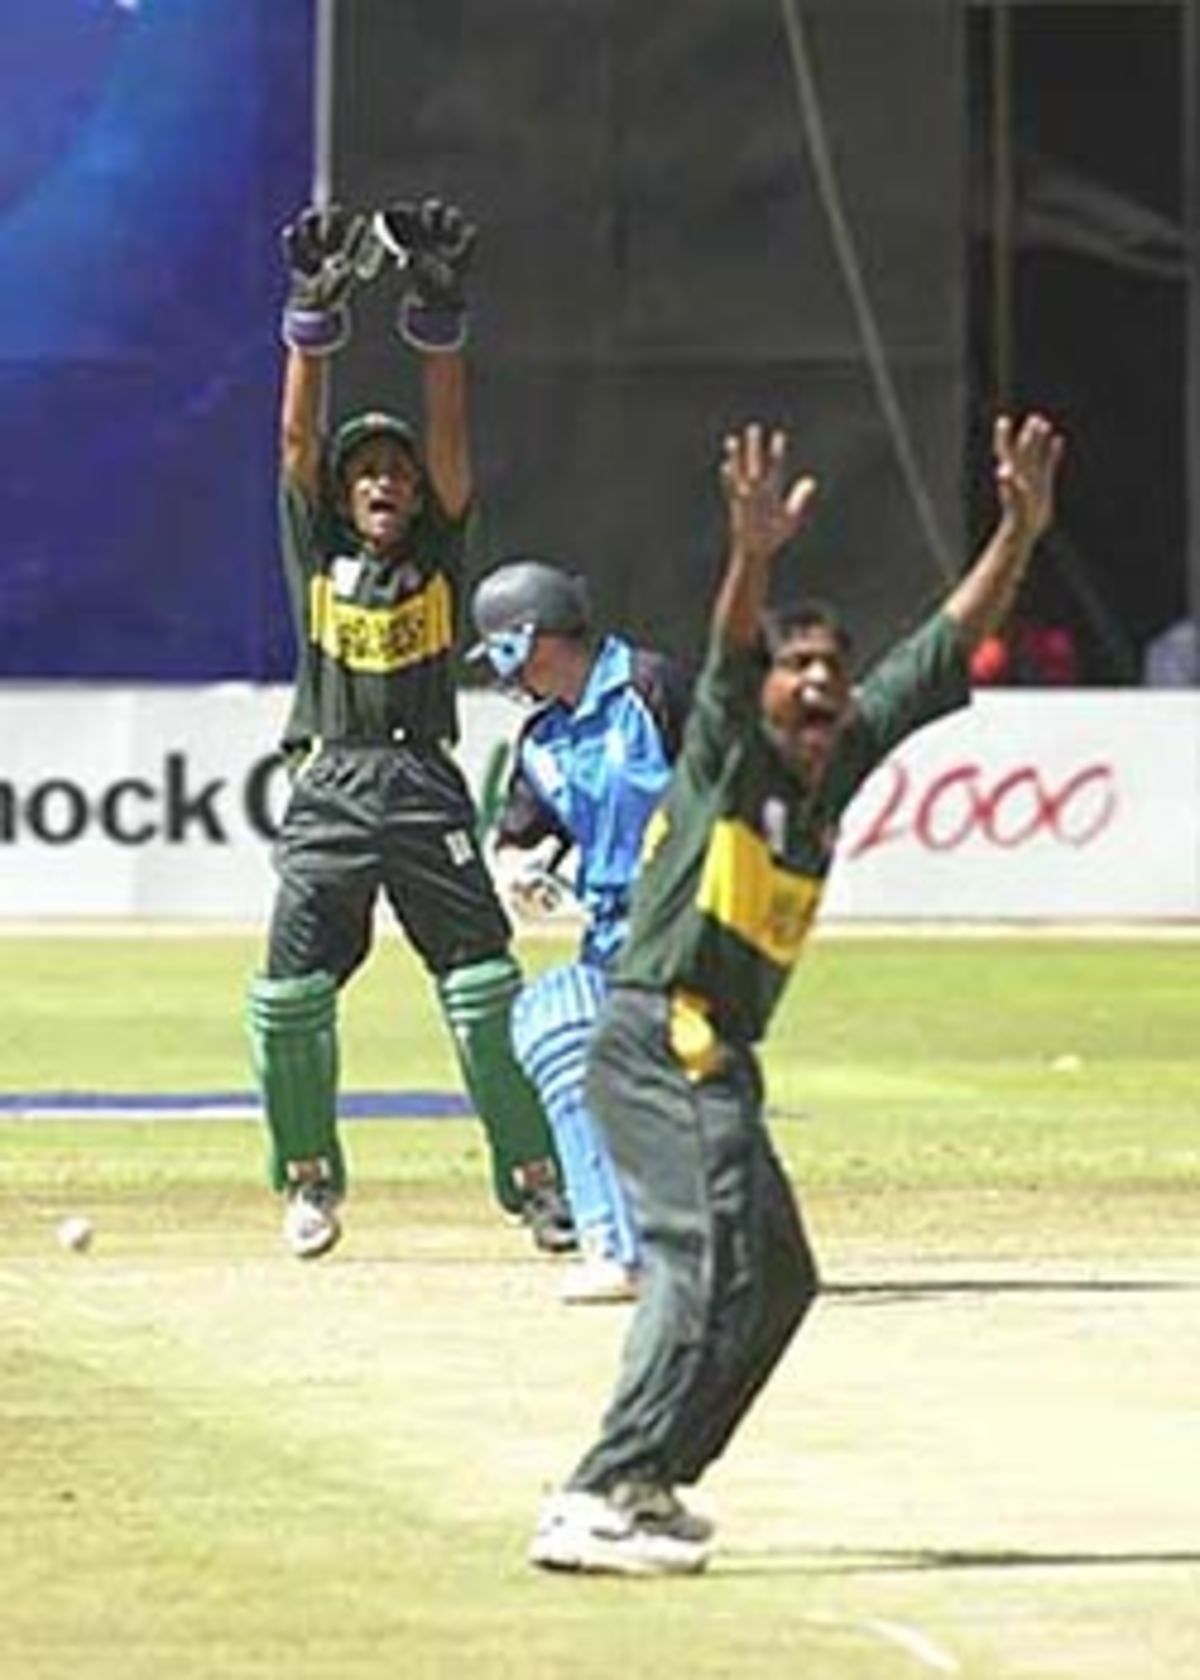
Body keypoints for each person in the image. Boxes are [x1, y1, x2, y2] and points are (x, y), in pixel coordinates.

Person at [529, 412, 1065, 1575]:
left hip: (719, 1053)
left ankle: (657, 1479)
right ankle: (593, 1492)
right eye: (797, 666)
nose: (818, 681)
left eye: (831, 666)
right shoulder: (729, 744)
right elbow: (729, 649)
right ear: (761, 689)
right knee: (706, 1260)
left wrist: (1019, 531)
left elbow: (946, 637)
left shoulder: (841, 756)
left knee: (779, 1280)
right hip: (657, 1035)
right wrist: (754, 555)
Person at [245, 198, 572, 1260]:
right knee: (289, 1003)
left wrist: (436, 315)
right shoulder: (315, 550)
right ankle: (309, 1182)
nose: (384, 481)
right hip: (331, 788)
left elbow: (450, 442)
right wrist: (310, 316)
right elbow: (298, 440)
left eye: (395, 473)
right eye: (365, 474)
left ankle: (536, 1186)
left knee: (482, 992)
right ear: (342, 498)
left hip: (424, 787)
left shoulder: (439, 551)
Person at [468, 559, 692, 1303]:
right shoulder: (544, 738)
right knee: (551, 1024)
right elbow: (518, 835)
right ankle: (646, 1241)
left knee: (571, 1030)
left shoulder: (653, 688)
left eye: (496, 646)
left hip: (693, 922)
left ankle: (626, 1247)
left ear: (526, 638)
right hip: (611, 933)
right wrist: (519, 873)